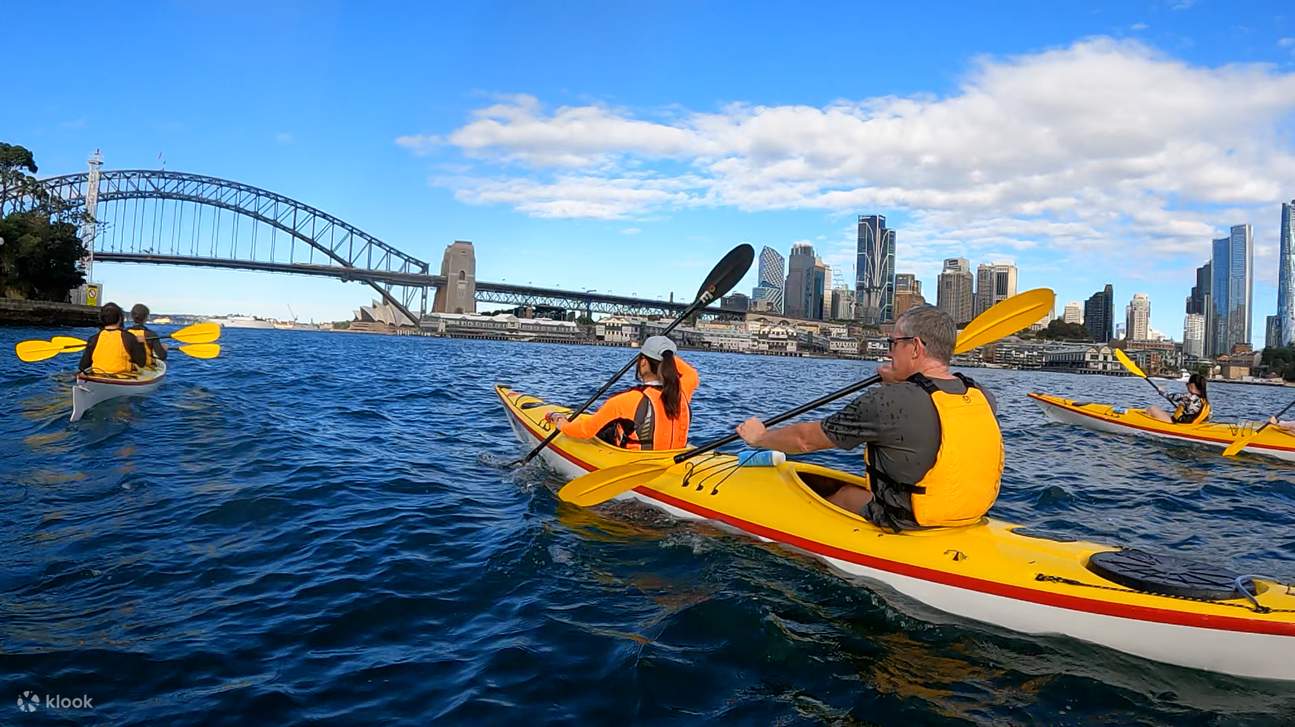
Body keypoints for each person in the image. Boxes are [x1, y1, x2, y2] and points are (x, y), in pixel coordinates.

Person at [736, 305, 1003, 531]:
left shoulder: (885, 402)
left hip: (907, 524)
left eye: (894, 343)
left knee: (839, 496)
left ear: (915, 347)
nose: (889, 352)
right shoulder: (983, 395)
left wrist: (760, 437)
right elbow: (926, 408)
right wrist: (902, 381)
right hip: (967, 517)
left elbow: (805, 441)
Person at [545, 336, 699, 450]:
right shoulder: (681, 393)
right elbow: (691, 374)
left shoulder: (626, 401)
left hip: (637, 464)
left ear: (643, 362)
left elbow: (585, 431)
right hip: (671, 458)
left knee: (609, 429)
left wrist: (562, 423)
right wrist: (667, 355)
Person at [78, 302, 147, 376]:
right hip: (123, 378)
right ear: (120, 319)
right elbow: (141, 363)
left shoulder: (93, 339)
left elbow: (83, 366)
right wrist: (141, 343)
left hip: (98, 376)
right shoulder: (129, 337)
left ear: (102, 319)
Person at [1144, 374, 1210, 424]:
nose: (1186, 386)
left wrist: (1162, 392)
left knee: (1152, 409)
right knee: (1167, 413)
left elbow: (1173, 396)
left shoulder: (1189, 397)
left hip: (1177, 423)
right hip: (1192, 424)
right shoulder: (1205, 401)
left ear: (1192, 385)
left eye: (1187, 384)